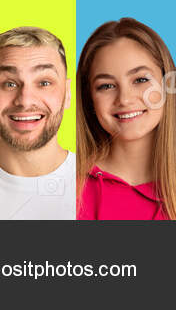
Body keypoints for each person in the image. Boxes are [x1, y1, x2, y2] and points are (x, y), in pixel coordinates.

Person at [75, 18, 175, 220]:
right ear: (89, 98)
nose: (125, 99)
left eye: (140, 80)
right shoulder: (65, 189)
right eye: (106, 86)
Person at [0, 26, 76, 220]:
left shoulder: (100, 188)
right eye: (10, 83)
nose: (25, 100)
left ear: (68, 93)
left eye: (44, 83)